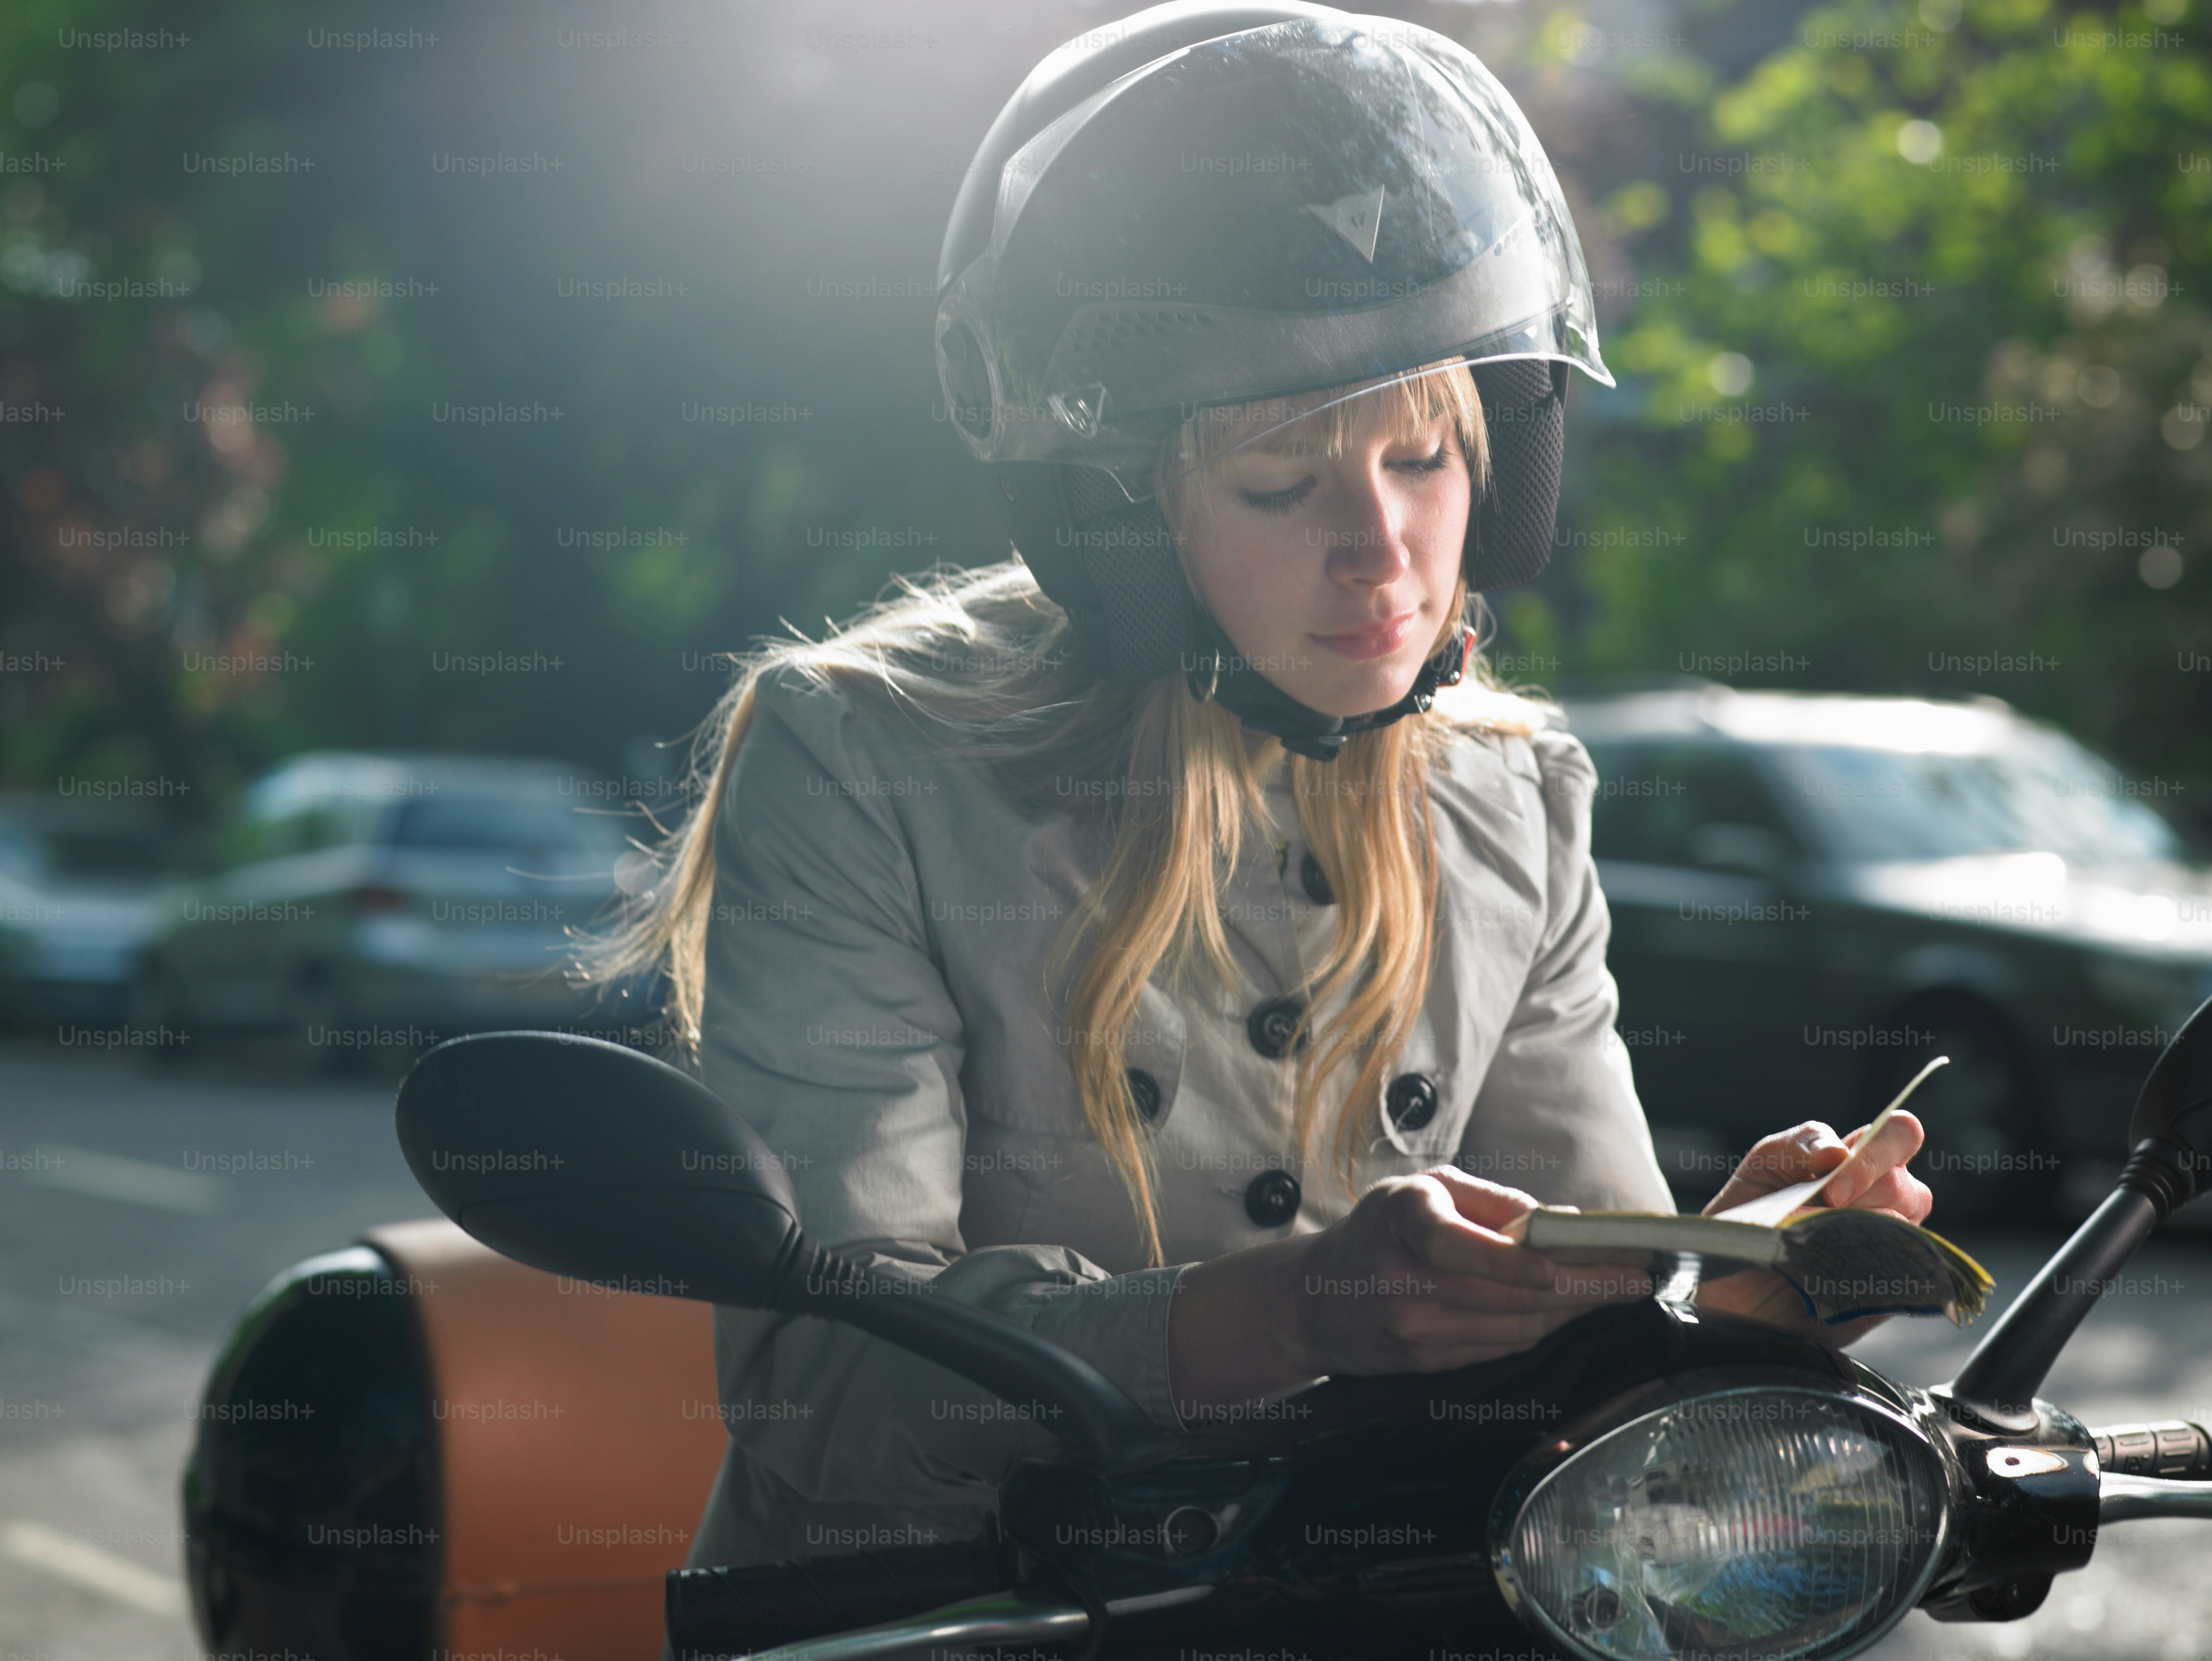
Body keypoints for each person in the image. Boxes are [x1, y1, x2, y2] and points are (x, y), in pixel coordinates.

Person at [590, 1, 1932, 1583]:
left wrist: (1710, 1286)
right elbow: (822, 1393)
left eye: (1424, 462)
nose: (1382, 554)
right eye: (1282, 485)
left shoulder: (1510, 801)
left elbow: (1584, 1341)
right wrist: (1283, 1312)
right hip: (939, 1615)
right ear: (1122, 525)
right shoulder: (860, 761)